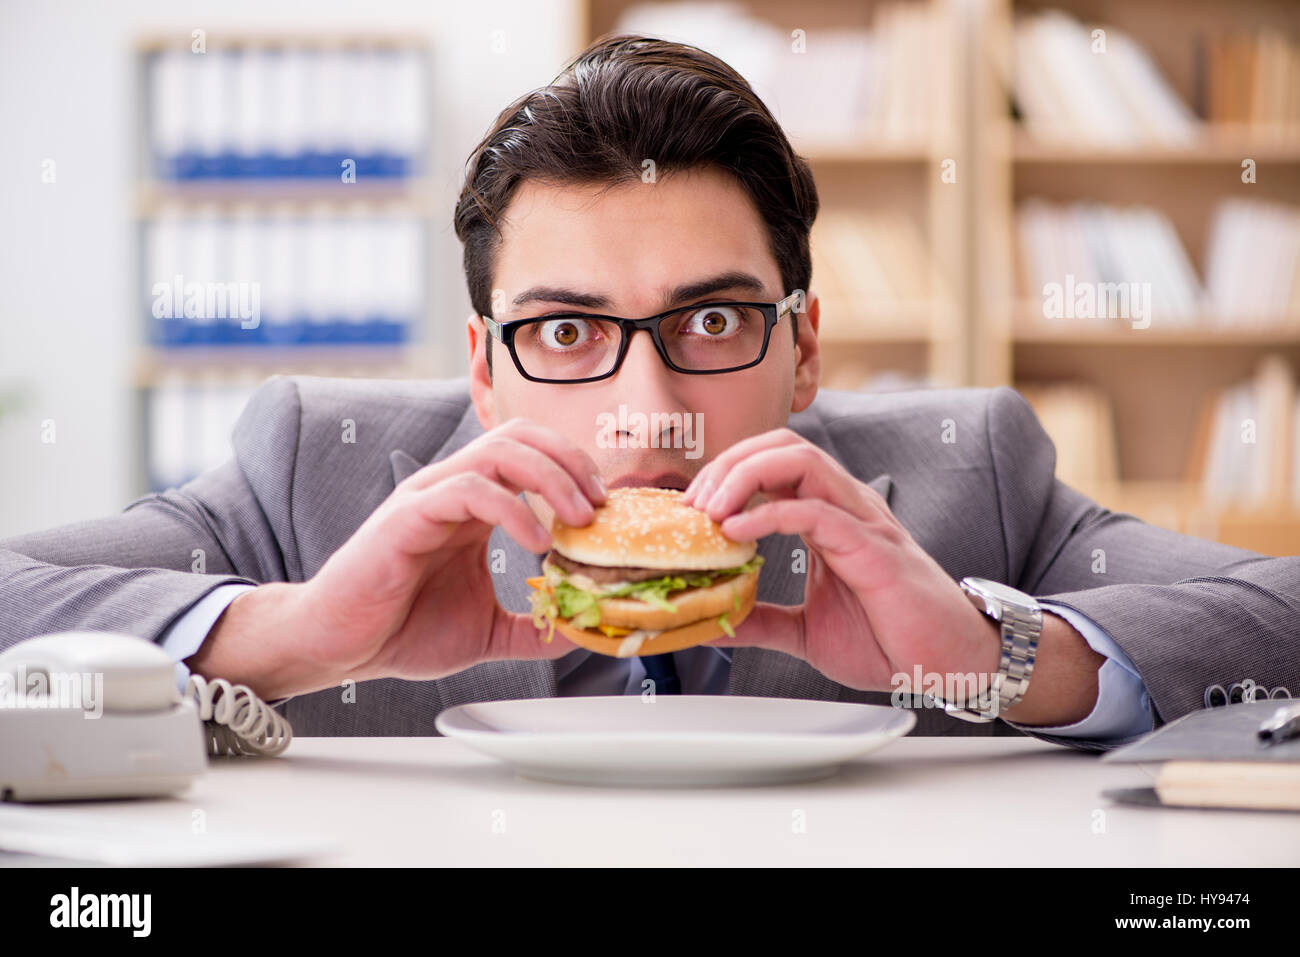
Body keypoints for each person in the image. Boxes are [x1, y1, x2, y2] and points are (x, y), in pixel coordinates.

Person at [2, 36, 1295, 750]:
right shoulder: (315, 473)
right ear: (483, 368)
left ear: (805, 348)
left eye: (715, 319)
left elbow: (1274, 610)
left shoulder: (970, 474)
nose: (647, 406)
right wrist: (299, 636)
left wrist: (1000, 657)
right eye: (565, 330)